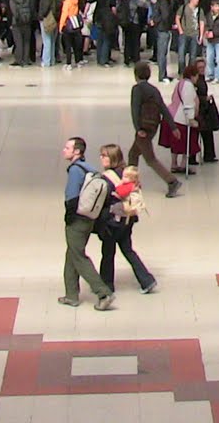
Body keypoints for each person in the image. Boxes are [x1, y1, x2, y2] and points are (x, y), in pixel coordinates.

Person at [58, 137, 115, 310]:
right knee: (72, 254)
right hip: (89, 217)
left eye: (67, 147)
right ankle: (71, 294)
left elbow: (72, 197)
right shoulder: (88, 168)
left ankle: (103, 293)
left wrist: (69, 218)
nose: (64, 150)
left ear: (77, 151)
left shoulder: (75, 170)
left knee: (78, 256)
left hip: (77, 219)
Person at [95, 144, 157, 295]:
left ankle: (106, 285)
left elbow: (105, 199)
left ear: (112, 158)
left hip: (112, 221)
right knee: (127, 249)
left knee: (108, 253)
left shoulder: (107, 178)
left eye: (104, 156)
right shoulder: (127, 172)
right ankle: (146, 280)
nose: (101, 158)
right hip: (128, 218)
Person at [127, 61, 185, 198]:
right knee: (133, 154)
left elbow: (135, 109)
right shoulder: (154, 90)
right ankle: (131, 183)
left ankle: (172, 181)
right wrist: (173, 127)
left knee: (150, 158)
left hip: (143, 127)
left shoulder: (137, 89)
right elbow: (163, 108)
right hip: (153, 125)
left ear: (136, 75)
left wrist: (137, 127)